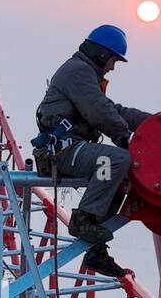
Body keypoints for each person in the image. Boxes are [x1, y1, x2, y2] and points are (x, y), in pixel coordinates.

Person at [33, 24, 152, 278]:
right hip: (63, 153)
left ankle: (96, 250)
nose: (112, 67)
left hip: (73, 148)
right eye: (113, 61)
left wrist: (153, 123)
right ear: (101, 53)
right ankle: (83, 219)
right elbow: (100, 112)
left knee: (120, 173)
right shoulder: (77, 72)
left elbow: (112, 110)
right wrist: (124, 138)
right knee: (118, 159)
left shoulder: (84, 72)